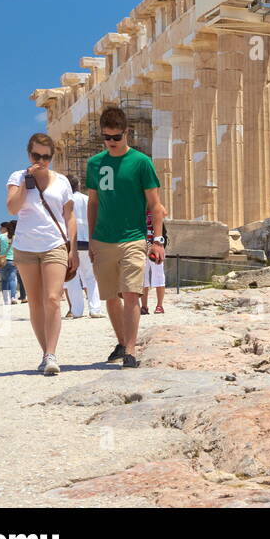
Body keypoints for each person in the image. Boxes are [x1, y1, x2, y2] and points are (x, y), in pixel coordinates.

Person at [86, 106, 167, 369]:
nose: (111, 142)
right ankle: (122, 342)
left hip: (133, 237)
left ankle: (131, 350)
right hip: (102, 239)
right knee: (110, 296)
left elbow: (156, 206)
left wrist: (157, 240)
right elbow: (93, 204)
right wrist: (91, 240)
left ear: (126, 133)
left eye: (116, 137)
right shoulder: (94, 163)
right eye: (106, 138)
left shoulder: (142, 162)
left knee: (131, 293)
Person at [6, 134, 77, 375]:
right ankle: (45, 353)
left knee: (53, 298)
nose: (41, 160)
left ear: (52, 157)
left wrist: (73, 249)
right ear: (29, 155)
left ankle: (51, 354)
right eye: (36, 156)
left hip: (54, 244)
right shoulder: (18, 177)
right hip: (25, 247)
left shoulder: (62, 182)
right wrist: (28, 179)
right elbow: (13, 208)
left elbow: (69, 217)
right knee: (35, 303)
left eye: (46, 157)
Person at [64, 175, 106, 319]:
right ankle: (95, 308)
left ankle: (76, 311)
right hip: (87, 241)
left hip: (70, 243)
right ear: (79, 184)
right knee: (91, 277)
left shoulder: (64, 200)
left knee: (72, 278)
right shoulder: (87, 199)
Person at [0, 222, 19, 305]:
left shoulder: (0, 236)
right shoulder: (14, 236)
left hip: (3, 260)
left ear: (5, 228)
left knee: (4, 280)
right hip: (12, 260)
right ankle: (13, 297)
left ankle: (5, 299)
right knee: (12, 279)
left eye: (1, 227)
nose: (0, 229)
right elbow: (16, 249)